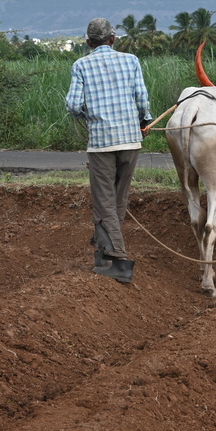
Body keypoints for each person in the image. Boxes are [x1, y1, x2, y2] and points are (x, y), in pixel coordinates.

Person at [66, 18, 152, 284]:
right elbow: (141, 98)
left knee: (104, 200)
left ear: (89, 43)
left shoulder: (81, 65)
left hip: (102, 143)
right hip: (130, 140)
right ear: (113, 39)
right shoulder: (131, 61)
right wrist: (144, 121)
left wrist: (88, 115)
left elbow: (72, 105)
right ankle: (103, 250)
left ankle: (119, 260)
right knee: (118, 198)